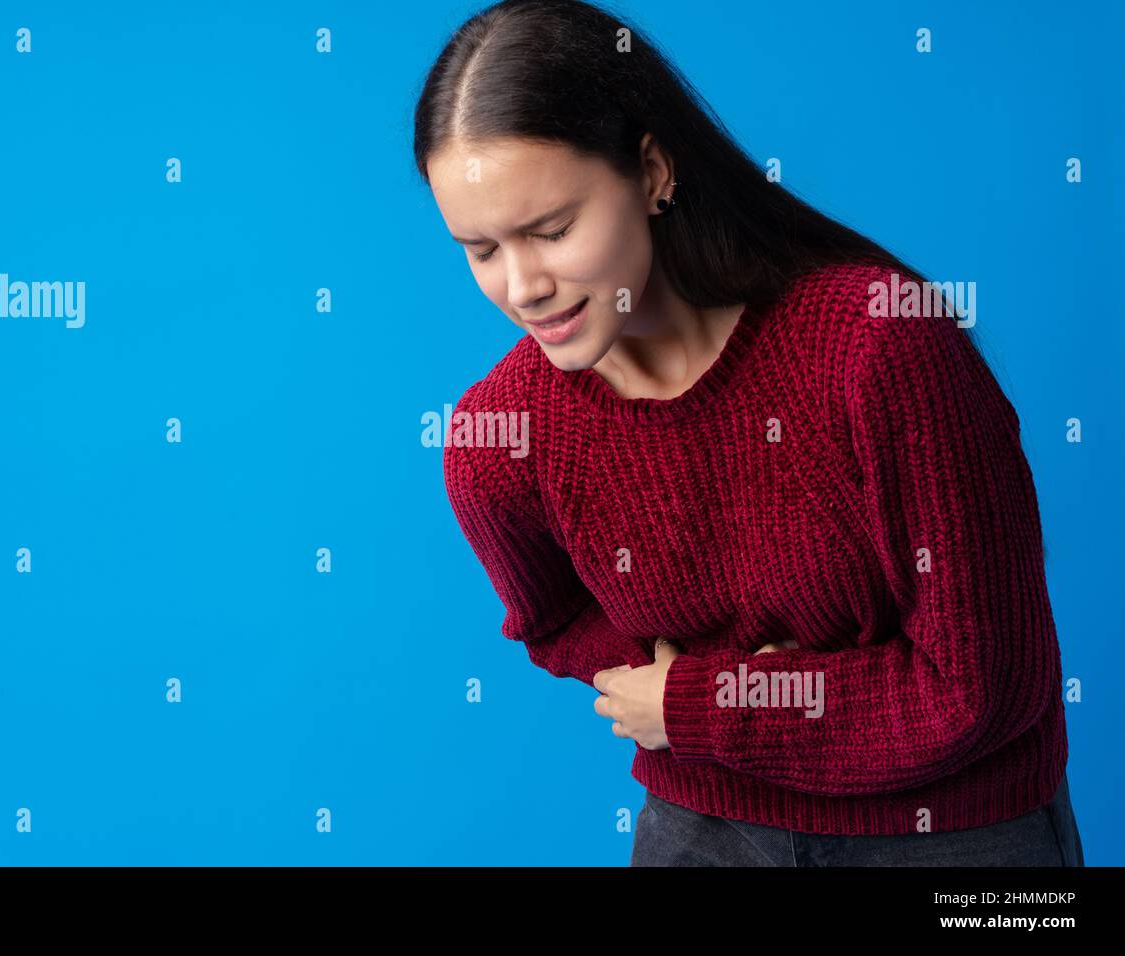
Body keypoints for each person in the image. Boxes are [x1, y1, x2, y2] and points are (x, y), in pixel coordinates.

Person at [416, 0, 1083, 865]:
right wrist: (677, 690)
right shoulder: (497, 446)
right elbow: (554, 622)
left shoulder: (881, 349)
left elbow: (982, 690)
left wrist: (711, 701)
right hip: (702, 837)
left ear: (652, 172)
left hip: (958, 838)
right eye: (480, 249)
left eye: (551, 230)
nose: (522, 286)